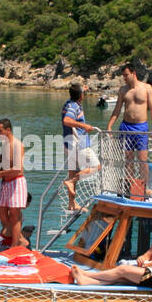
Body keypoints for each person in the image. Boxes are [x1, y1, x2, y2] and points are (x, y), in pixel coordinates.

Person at [70, 211, 152, 289]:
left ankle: (87, 274)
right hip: (150, 272)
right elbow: (149, 254)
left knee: (122, 269)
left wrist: (147, 264)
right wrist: (142, 258)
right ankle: (86, 282)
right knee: (121, 278)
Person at [107, 63, 152, 195]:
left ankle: (144, 187)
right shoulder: (123, 90)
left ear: (133, 73)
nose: (124, 78)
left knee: (142, 159)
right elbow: (117, 109)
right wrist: (109, 126)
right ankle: (130, 186)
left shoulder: (146, 88)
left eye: (126, 75)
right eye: (123, 76)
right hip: (126, 126)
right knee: (128, 160)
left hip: (141, 127)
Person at [61, 83, 99, 211]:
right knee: (96, 166)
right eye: (83, 92)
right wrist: (85, 126)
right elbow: (66, 120)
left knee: (73, 171)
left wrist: (83, 88)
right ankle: (71, 181)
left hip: (69, 144)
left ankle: (72, 204)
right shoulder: (74, 107)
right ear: (81, 96)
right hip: (79, 143)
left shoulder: (68, 103)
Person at [0, 118, 28, 248]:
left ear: (8, 130)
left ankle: (14, 245)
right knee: (1, 214)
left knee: (14, 215)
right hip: (5, 183)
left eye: (0, 131)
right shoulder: (4, 146)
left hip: (16, 182)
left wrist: (0, 173)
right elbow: (2, 167)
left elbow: (18, 168)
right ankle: (21, 238)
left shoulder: (17, 145)